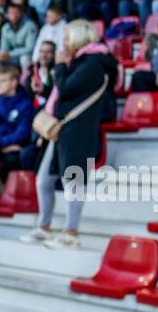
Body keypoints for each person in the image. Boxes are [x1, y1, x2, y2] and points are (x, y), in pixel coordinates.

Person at [20, 20, 117, 249]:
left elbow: (67, 88)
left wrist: (60, 67)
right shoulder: (79, 61)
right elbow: (64, 92)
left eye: (66, 38)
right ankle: (44, 227)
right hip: (62, 129)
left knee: (73, 182)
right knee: (44, 178)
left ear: (79, 38)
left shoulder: (94, 62)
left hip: (79, 130)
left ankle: (71, 232)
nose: (63, 43)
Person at [0, 1, 38, 69]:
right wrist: (2, 54)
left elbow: (30, 48)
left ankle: (26, 78)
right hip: (12, 57)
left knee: (24, 59)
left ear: (22, 13)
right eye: (11, 13)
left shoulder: (30, 26)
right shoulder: (5, 27)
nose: (14, 15)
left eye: (16, 12)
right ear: (7, 15)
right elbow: (4, 47)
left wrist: (10, 54)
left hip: (27, 55)